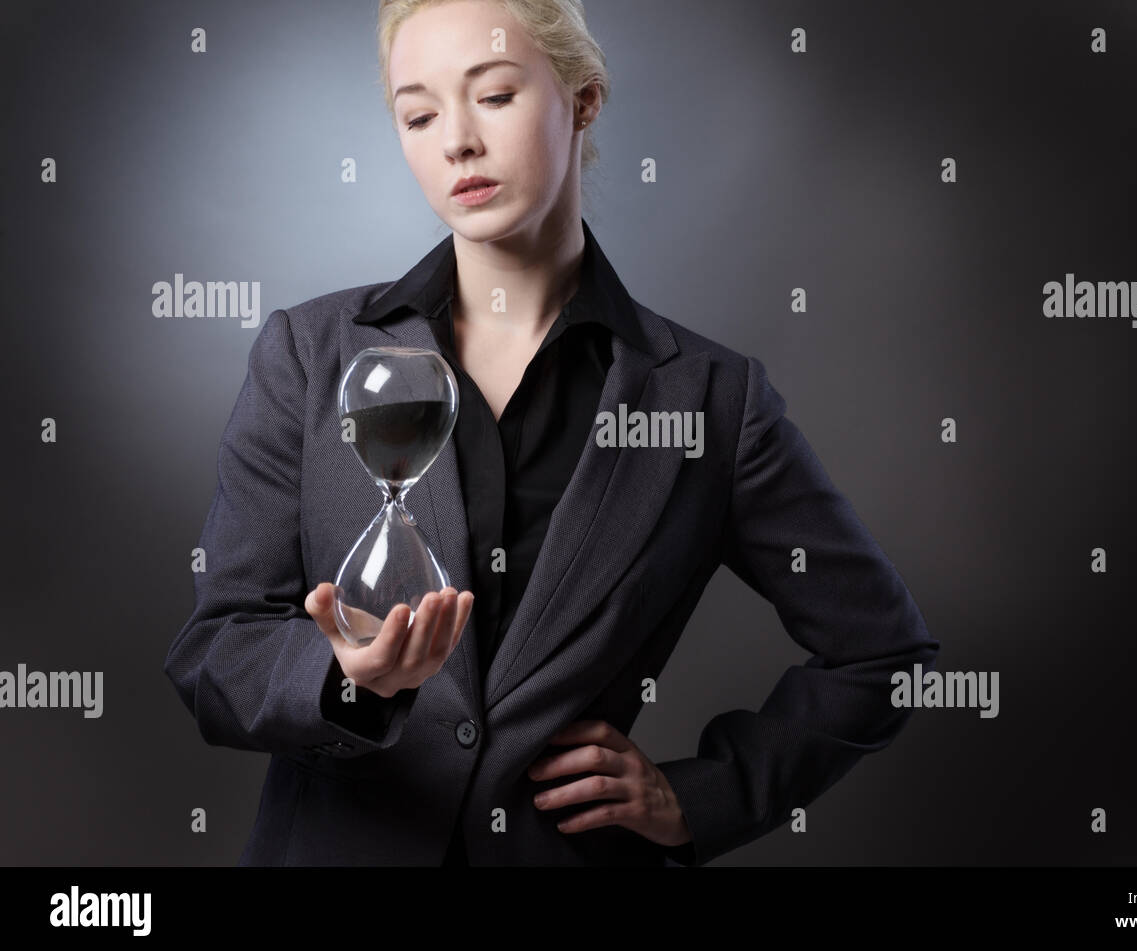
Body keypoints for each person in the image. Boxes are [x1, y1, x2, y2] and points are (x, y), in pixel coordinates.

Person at [163, 0, 939, 867]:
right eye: (418, 114)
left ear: (583, 99)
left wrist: (699, 797)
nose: (456, 140)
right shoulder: (310, 355)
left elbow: (884, 652)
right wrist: (345, 680)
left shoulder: (714, 401)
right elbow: (215, 654)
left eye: (492, 96)